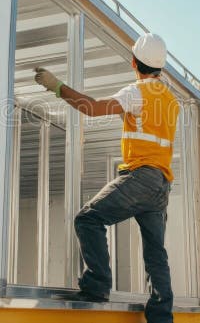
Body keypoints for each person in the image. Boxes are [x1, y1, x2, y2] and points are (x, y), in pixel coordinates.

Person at [34, 33, 179, 323]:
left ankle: (97, 286)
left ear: (134, 63)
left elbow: (94, 108)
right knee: (155, 252)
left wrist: (57, 87)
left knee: (87, 219)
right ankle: (162, 316)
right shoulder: (171, 99)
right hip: (162, 185)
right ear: (160, 67)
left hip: (141, 177)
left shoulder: (137, 92)